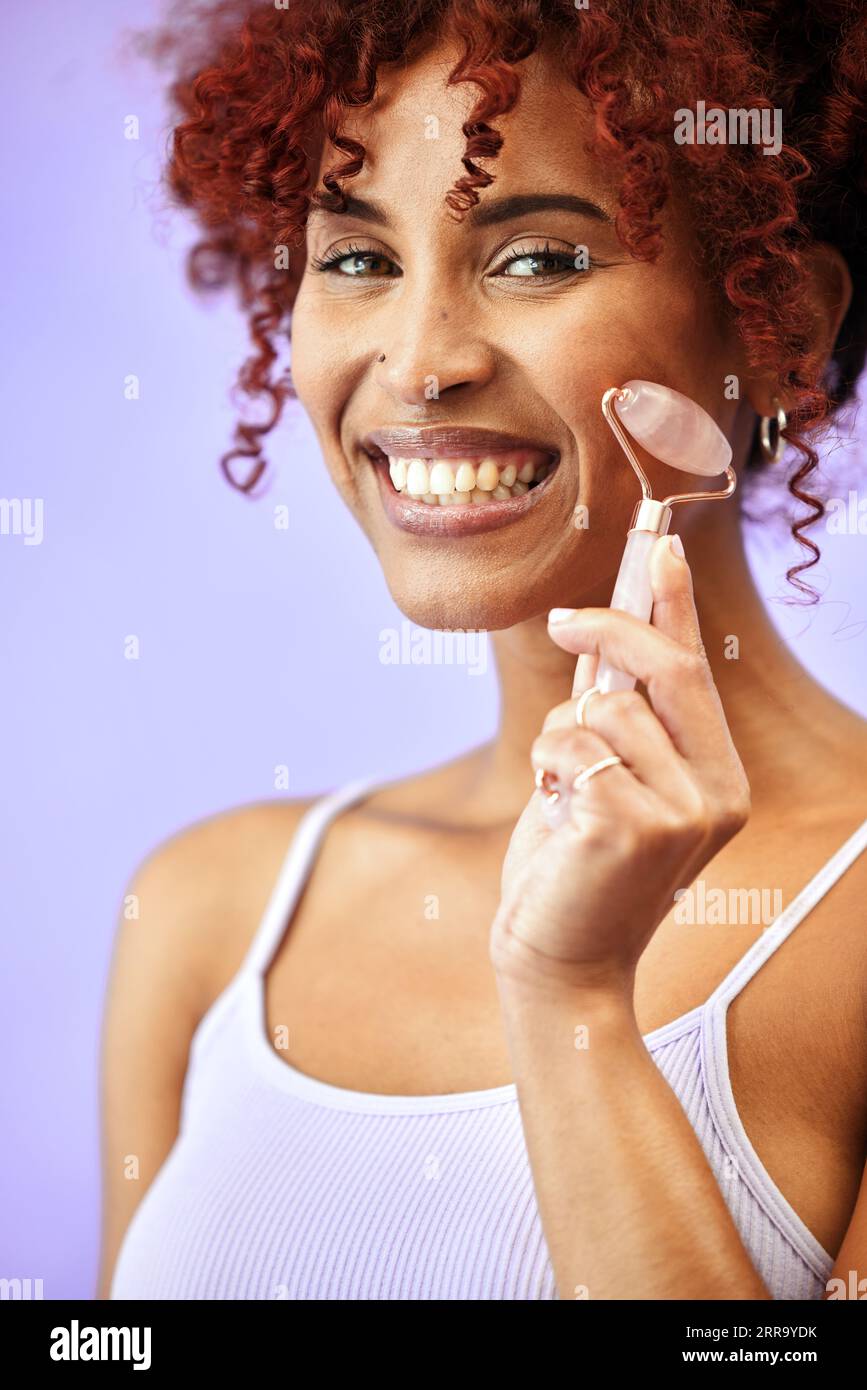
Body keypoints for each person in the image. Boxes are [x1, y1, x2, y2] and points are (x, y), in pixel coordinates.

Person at [99, 0, 867, 1300]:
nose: (421, 361)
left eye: (539, 259)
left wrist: (572, 1001)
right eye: (355, 260)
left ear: (773, 314)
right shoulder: (210, 913)